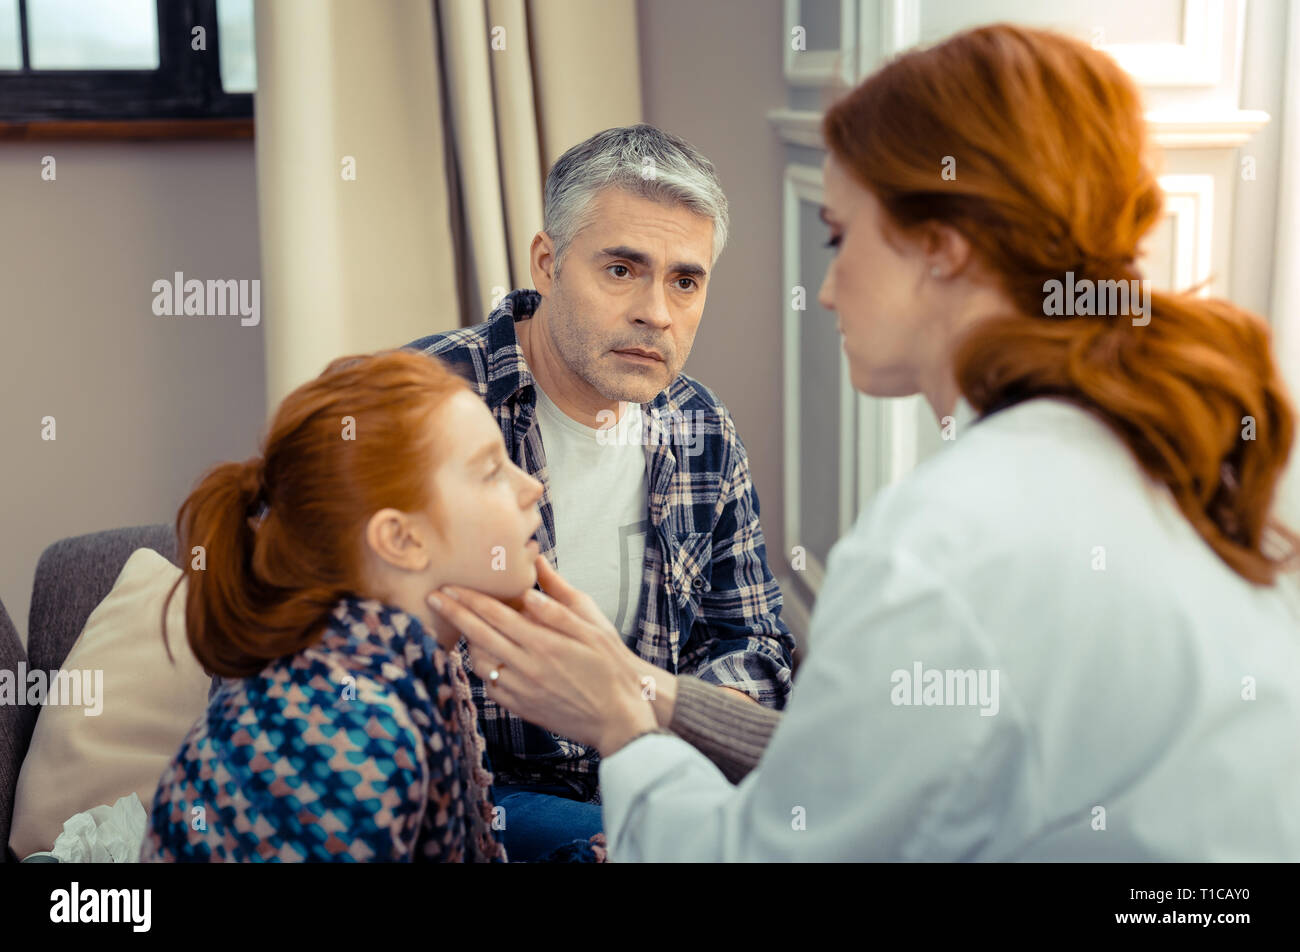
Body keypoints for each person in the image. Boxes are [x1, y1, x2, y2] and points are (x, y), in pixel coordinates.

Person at [427, 23, 1300, 861]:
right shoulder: (1154, 451)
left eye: (840, 239)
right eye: (621, 268)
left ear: (942, 249)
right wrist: (632, 696)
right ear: (547, 263)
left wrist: (621, 719)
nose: (831, 289)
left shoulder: (941, 543)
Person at [404, 124, 795, 860]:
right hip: (479, 787)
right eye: (622, 270)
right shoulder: (425, 399)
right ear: (547, 263)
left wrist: (682, 738)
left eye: (686, 280)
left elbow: (751, 639)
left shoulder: (701, 425)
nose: (658, 312)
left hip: (649, 758)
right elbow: (313, 627)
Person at [141, 349, 603, 862]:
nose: (532, 487)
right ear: (400, 540)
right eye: (491, 471)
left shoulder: (409, 674)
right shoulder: (340, 735)